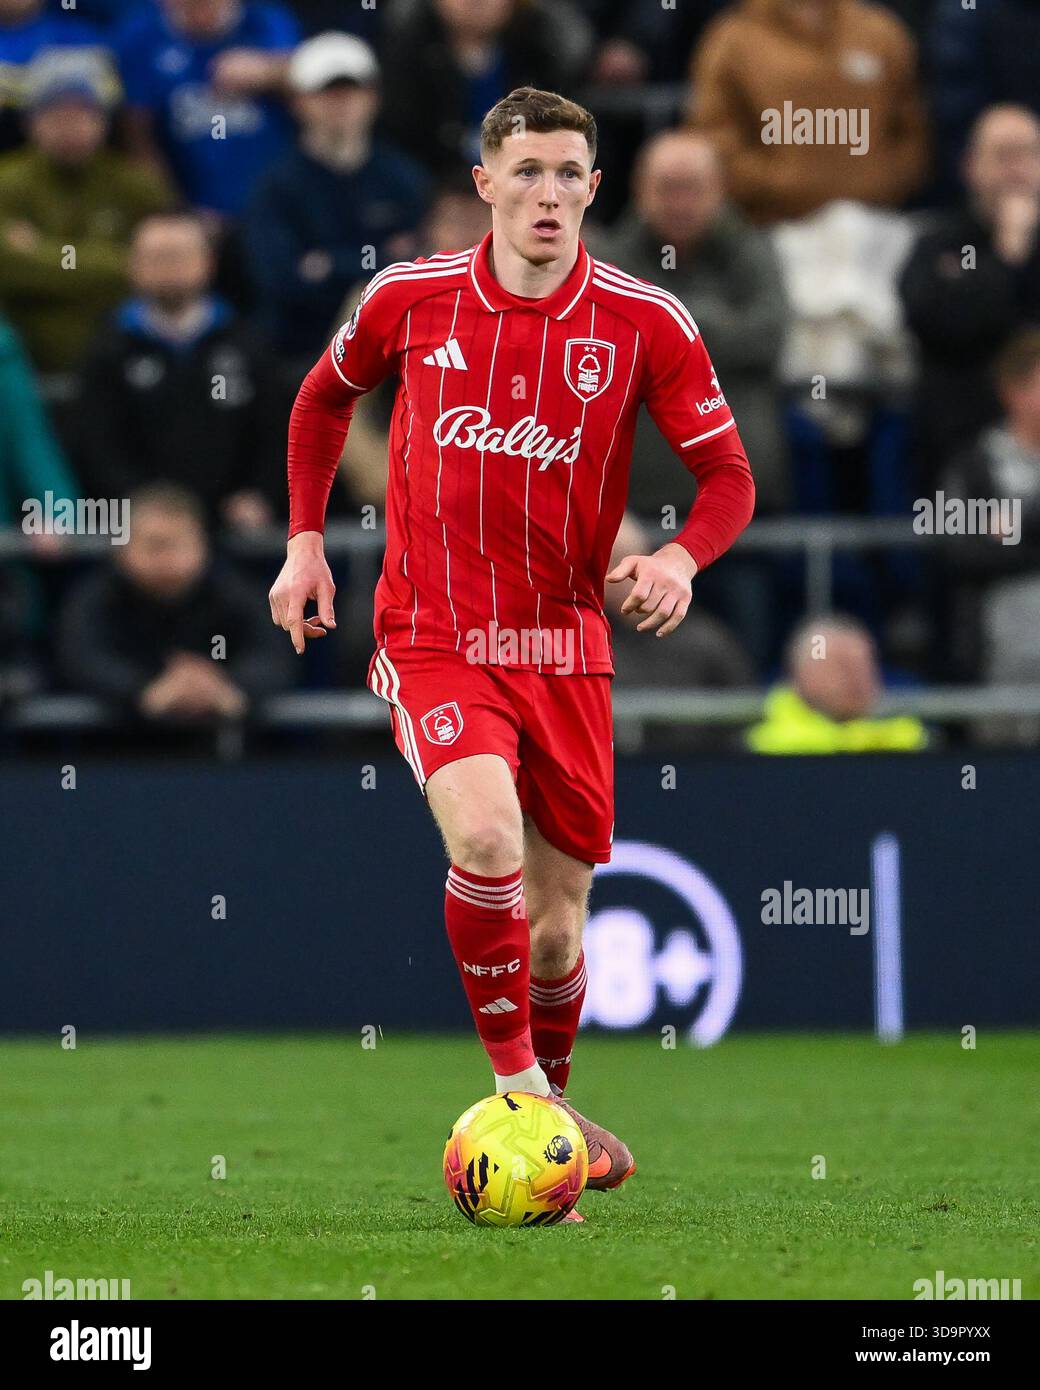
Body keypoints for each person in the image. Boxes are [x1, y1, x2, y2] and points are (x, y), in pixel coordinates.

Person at [268, 87, 755, 1209]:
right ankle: (531, 1104)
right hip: (433, 631)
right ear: (483, 184)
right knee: (483, 838)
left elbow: (727, 477)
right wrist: (304, 544)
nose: (546, 193)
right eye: (524, 171)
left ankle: (549, 1162)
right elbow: (318, 399)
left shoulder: (646, 322)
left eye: (567, 173)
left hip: (565, 643)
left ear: (595, 187)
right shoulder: (410, 297)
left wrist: (679, 559)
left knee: (552, 928)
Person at [598, 129, 789, 513]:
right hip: (638, 502)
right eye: (667, 188)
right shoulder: (604, 261)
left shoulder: (754, 250)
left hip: (741, 495)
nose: (680, 203)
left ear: (720, 189)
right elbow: (611, 347)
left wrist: (669, 324)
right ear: (639, 189)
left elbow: (768, 337)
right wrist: (716, 325)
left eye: (693, 188)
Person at [74, 211, 285, 529]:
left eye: (179, 255)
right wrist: (136, 503)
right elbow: (96, 442)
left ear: (209, 261)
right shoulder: (107, 350)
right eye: (156, 256)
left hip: (237, 530)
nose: (168, 266)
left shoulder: (249, 346)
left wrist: (261, 494)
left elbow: (278, 430)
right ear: (132, 264)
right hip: (141, 530)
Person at [244, 32, 430, 363]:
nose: (341, 103)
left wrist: (327, 265)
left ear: (374, 97)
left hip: (395, 354)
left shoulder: (405, 179)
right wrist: (381, 264)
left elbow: (425, 271)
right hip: (299, 353)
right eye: (326, 92)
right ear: (298, 101)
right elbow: (280, 282)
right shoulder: (275, 187)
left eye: (352, 90)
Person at [57, 482, 293, 720]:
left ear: (204, 546)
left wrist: (228, 688)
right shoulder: (95, 597)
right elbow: (82, 659)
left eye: (180, 544)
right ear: (121, 548)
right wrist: (143, 691)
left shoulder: (233, 591)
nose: (168, 560)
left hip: (223, 745)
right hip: (112, 745)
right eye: (155, 545)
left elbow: (272, 656)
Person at [0, 48, 170, 373]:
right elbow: (7, 268)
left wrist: (38, 254)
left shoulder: (137, 187)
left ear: (104, 119)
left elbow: (162, 270)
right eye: (55, 114)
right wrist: (120, 262)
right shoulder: (6, 184)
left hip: (124, 367)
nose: (70, 126)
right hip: (25, 364)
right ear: (29, 121)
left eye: (82, 113)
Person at [687, 0, 927, 225]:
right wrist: (777, 184)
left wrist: (883, 180)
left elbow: (910, 127)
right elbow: (713, 135)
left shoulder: (881, 33)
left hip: (874, 222)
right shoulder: (732, 40)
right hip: (770, 227)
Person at [900, 105, 1040, 489]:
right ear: (970, 166)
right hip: (960, 446)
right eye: (1002, 156)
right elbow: (941, 325)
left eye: (1027, 154)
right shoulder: (938, 245)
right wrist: (1009, 255)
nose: (1016, 170)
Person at [116, 0, 299, 218]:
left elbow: (320, 81)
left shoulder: (266, 22)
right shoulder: (140, 37)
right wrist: (176, 210)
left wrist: (269, 72)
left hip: (274, 203)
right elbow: (138, 136)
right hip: (193, 211)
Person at [746, 616, 926, 753]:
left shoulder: (908, 738)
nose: (856, 677)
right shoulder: (763, 747)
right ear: (800, 675)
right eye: (842, 665)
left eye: (864, 664)